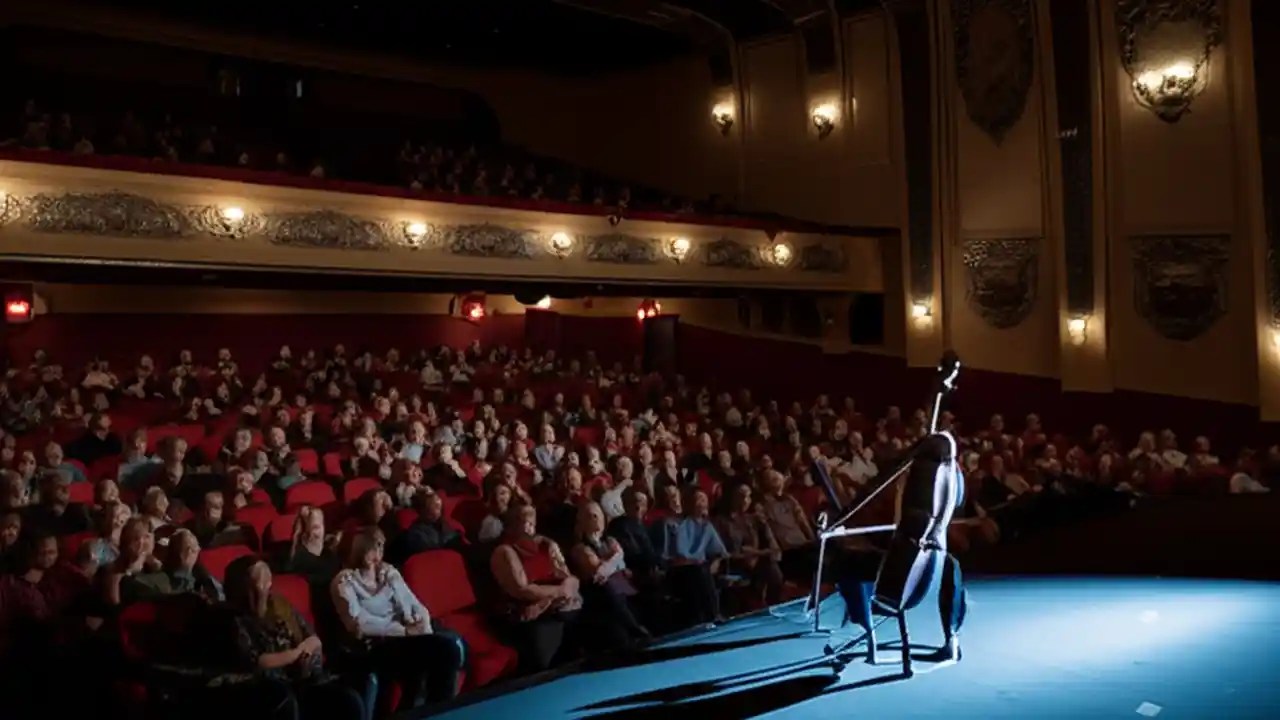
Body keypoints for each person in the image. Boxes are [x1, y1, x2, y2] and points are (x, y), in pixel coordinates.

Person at [330, 528, 466, 712]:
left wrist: (422, 626)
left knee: (447, 648)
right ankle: (431, 711)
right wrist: (404, 631)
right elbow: (360, 624)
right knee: (443, 650)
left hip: (406, 639)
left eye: (380, 546)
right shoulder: (344, 581)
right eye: (374, 547)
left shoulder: (388, 572)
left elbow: (413, 603)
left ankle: (437, 711)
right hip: (374, 646)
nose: (379, 551)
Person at [224, 554, 371, 720]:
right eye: (259, 577)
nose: (267, 581)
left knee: (349, 700)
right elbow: (257, 662)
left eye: (267, 574)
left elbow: (313, 639)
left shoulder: (281, 605)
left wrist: (306, 655)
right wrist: (297, 653)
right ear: (244, 587)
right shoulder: (234, 620)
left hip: (304, 679)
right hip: (274, 691)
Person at [489, 504, 582, 672]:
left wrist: (549, 599)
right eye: (521, 520)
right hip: (526, 615)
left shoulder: (546, 545)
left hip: (556, 607)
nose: (527, 524)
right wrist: (558, 593)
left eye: (531, 519)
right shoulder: (504, 551)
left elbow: (571, 579)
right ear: (509, 525)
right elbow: (522, 590)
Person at [568, 501, 650, 649]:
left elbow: (617, 564)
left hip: (623, 589)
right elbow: (596, 572)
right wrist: (614, 559)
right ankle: (634, 629)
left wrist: (608, 564)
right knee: (608, 586)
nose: (596, 519)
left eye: (598, 515)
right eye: (590, 516)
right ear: (581, 522)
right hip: (599, 598)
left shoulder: (610, 540)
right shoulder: (579, 548)